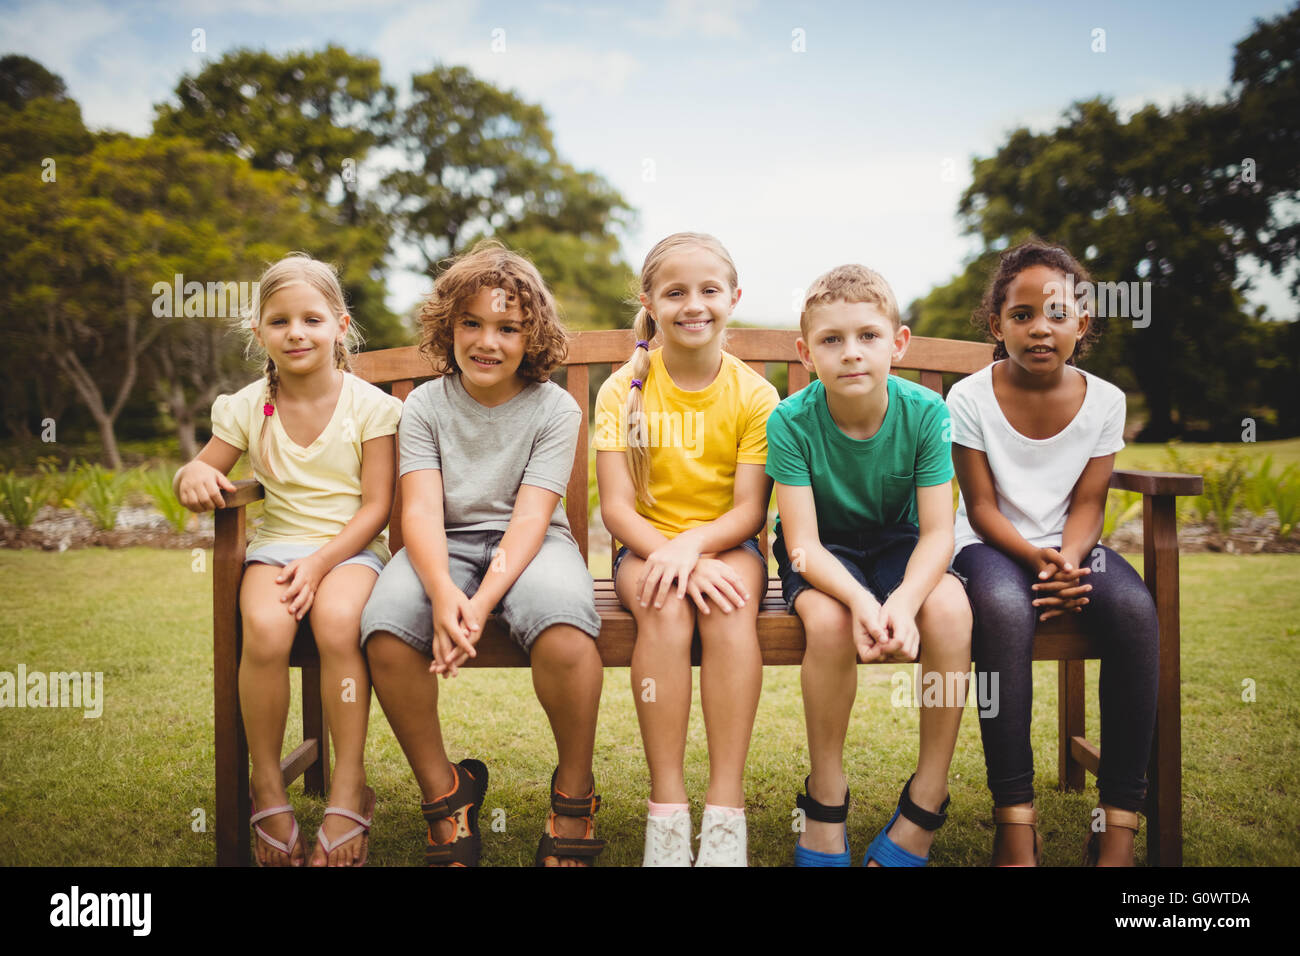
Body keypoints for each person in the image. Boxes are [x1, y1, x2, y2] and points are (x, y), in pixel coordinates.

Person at [360, 240, 605, 867]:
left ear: (533, 336)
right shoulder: (423, 405)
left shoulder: (555, 407)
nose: (487, 340)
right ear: (449, 326)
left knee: (565, 630)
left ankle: (575, 794)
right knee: (385, 629)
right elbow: (417, 512)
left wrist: (480, 602)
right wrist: (444, 593)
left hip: (532, 543)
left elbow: (529, 518)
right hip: (442, 542)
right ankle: (447, 795)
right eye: (471, 322)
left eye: (508, 327)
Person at [176, 252, 401, 866]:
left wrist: (323, 563)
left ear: (341, 325)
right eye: (279, 322)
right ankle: (267, 788)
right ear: (259, 333)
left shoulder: (372, 408)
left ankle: (349, 782)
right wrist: (192, 475)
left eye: (311, 319)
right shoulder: (248, 406)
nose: (296, 333)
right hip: (275, 549)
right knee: (269, 630)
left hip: (352, 550)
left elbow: (377, 507)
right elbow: (204, 468)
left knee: (336, 624)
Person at [948, 238, 1158, 866]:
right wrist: (1040, 561)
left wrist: (1068, 559)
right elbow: (982, 508)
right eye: (1021, 316)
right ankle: (1015, 819)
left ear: (1082, 324)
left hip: (1070, 546)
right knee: (1004, 613)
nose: (1040, 328)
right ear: (998, 325)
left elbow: (1090, 504)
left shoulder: (1105, 401)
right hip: (988, 544)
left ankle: (1117, 821)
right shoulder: (969, 398)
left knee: (1133, 612)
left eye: (1058, 314)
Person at [768, 264, 972, 867]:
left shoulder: (927, 413)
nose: (851, 353)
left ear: (898, 343)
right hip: (821, 548)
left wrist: (904, 601)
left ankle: (925, 802)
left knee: (952, 612)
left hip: (900, 540)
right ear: (807, 354)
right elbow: (800, 542)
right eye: (831, 340)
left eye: (868, 336)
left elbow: (938, 533)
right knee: (829, 627)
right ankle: (825, 803)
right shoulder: (791, 421)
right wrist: (861, 600)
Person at [594, 232, 779, 867]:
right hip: (645, 550)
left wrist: (693, 551)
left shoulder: (755, 395)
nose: (693, 304)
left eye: (708, 290)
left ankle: (726, 808)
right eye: (675, 292)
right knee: (666, 610)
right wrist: (671, 556)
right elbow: (617, 509)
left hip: (728, 548)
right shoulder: (623, 391)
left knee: (728, 610)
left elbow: (750, 511)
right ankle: (667, 810)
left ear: (733, 298)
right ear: (649, 300)